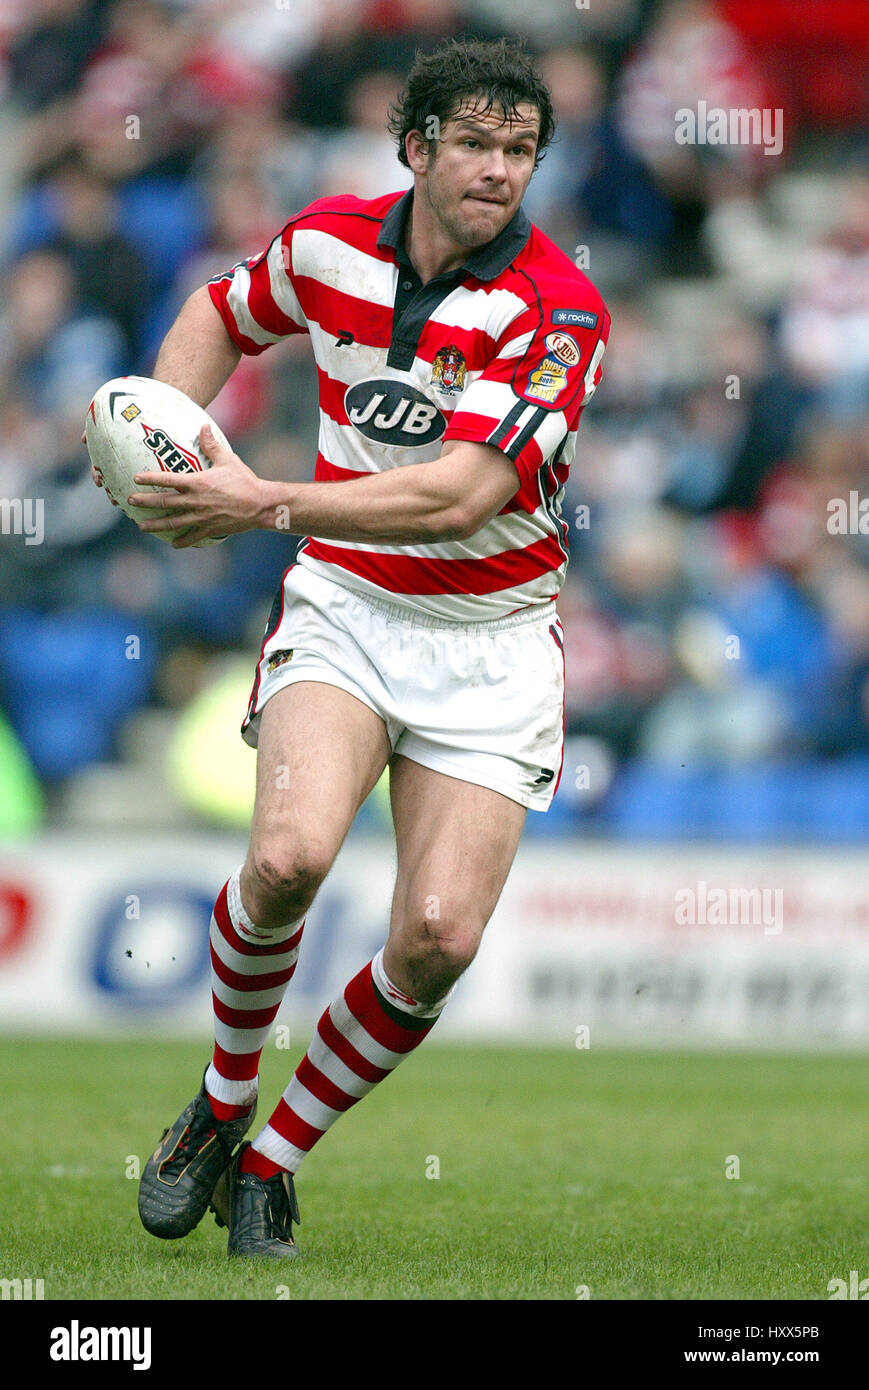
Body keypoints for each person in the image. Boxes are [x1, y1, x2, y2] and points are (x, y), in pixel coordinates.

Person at [107, 35, 610, 1259]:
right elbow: (215, 315)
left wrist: (255, 497)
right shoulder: (328, 238)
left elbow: (456, 496)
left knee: (435, 938)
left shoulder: (557, 309)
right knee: (283, 860)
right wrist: (168, 455)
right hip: (345, 604)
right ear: (416, 145)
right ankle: (221, 1109)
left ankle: (273, 1161)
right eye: (477, 144)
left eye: (520, 150)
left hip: (489, 643)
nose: (499, 170)